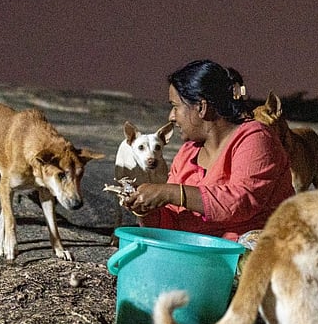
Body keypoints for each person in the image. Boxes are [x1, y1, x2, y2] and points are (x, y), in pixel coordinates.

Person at [122, 59, 293, 242]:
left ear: (201, 107)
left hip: (256, 259)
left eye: (175, 106)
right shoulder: (187, 153)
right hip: (202, 258)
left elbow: (240, 202)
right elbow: (173, 225)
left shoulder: (255, 138)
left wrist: (170, 192)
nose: (171, 116)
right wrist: (147, 210)